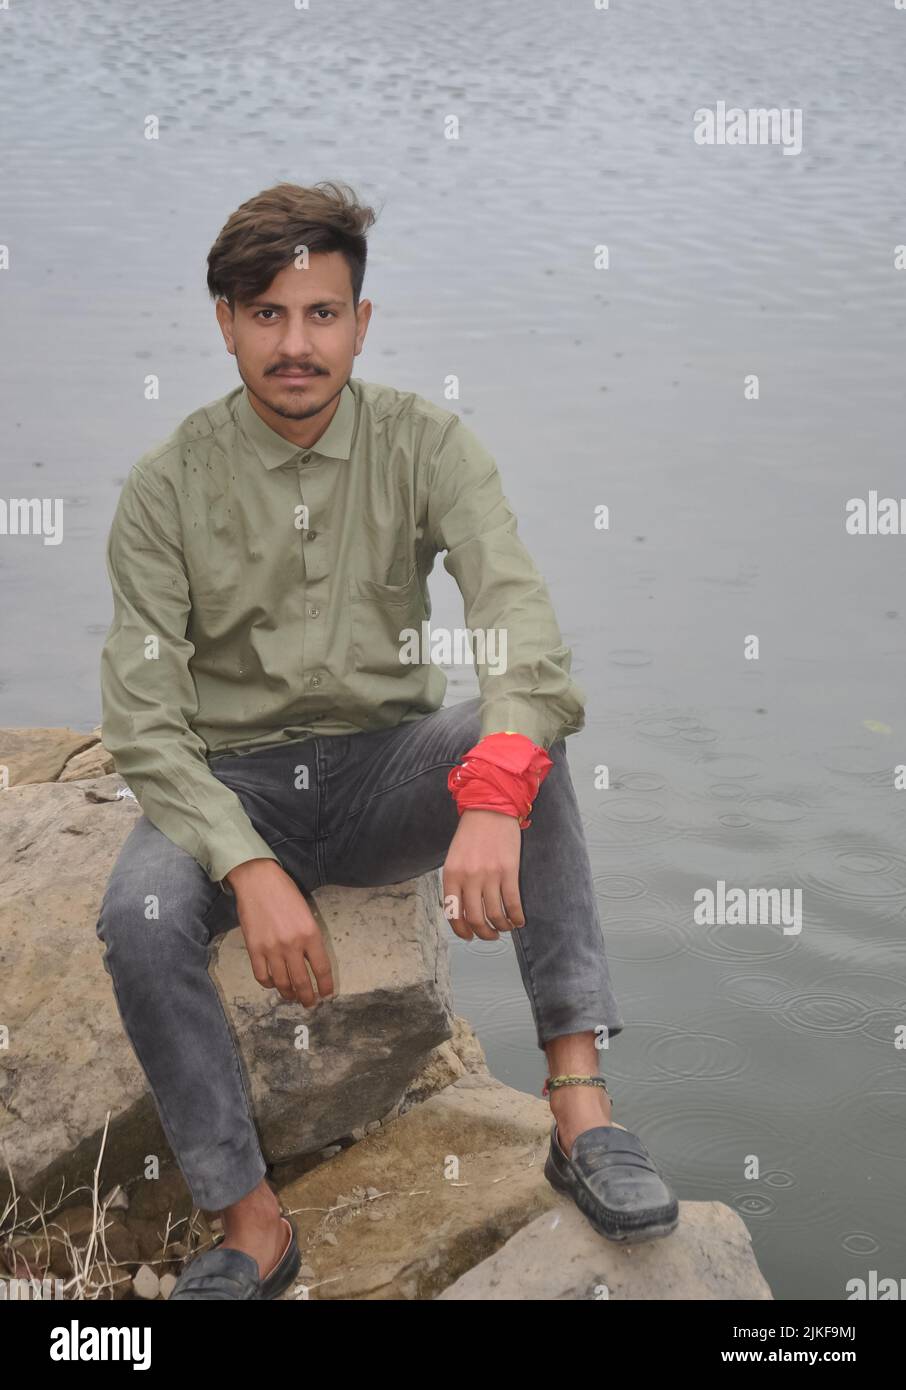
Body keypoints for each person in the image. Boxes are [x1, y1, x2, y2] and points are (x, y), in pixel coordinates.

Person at [96, 180, 677, 1301]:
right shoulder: (166, 486)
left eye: (322, 313)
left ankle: (579, 1106)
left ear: (362, 321)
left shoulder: (429, 443)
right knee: (141, 911)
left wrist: (497, 789)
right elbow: (142, 714)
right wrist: (248, 863)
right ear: (224, 322)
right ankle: (249, 1217)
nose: (296, 343)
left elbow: (520, 629)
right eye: (266, 314)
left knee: (520, 741)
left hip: (382, 767)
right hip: (233, 779)